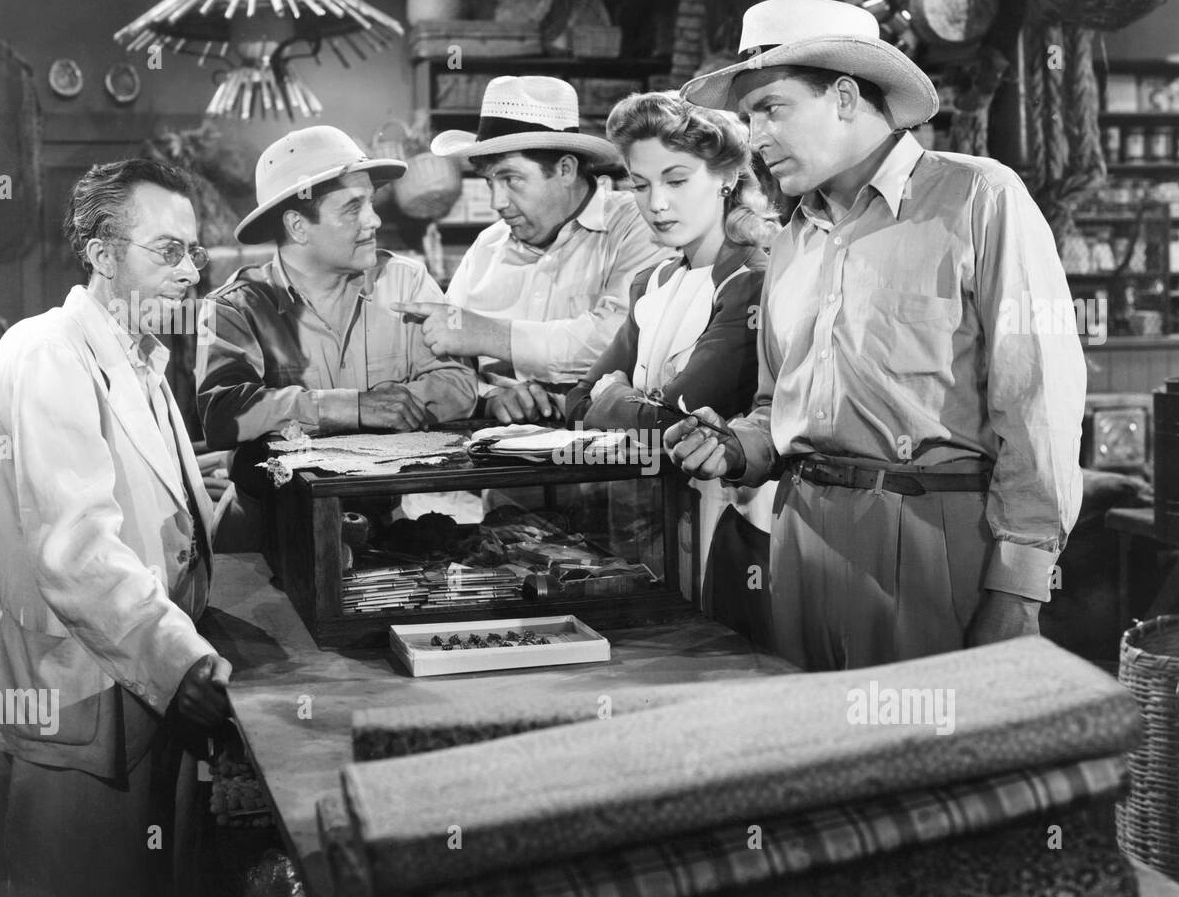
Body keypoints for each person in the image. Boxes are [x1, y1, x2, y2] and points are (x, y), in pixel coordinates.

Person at [666, 0, 1086, 670]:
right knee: (828, 760)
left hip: (933, 543)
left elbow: (1039, 404)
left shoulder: (981, 199)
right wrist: (736, 446)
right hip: (800, 541)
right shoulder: (794, 240)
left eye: (772, 108)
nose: (756, 138)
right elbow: (779, 408)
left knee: (935, 760)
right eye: (747, 119)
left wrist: (1019, 587)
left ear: (842, 96)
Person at [0, 158, 232, 897]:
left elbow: (121, 507)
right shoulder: (49, 350)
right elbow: (75, 546)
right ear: (100, 251)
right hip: (84, 688)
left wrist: (196, 499)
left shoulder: (142, 357)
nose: (190, 272)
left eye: (194, 252)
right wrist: (180, 660)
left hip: (130, 678)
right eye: (168, 251)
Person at [562, 92, 777, 644]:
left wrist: (618, 397)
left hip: (729, 526)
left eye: (677, 180)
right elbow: (578, 404)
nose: (657, 202)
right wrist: (623, 403)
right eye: (641, 183)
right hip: (646, 522)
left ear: (727, 176)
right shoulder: (653, 282)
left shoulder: (752, 279)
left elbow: (672, 426)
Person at [195, 126, 478, 544]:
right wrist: (353, 408)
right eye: (352, 208)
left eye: (372, 203)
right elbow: (222, 413)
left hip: (383, 532)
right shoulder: (236, 307)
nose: (374, 220)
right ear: (298, 226)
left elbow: (458, 382)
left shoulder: (404, 283)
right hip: (263, 535)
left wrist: (397, 407)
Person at [394, 76, 666, 423]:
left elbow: (619, 339)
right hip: (502, 468)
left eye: (511, 179)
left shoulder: (635, 225)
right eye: (490, 182)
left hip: (607, 464)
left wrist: (491, 335)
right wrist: (490, 396)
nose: (497, 202)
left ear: (565, 170)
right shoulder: (487, 247)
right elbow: (448, 362)